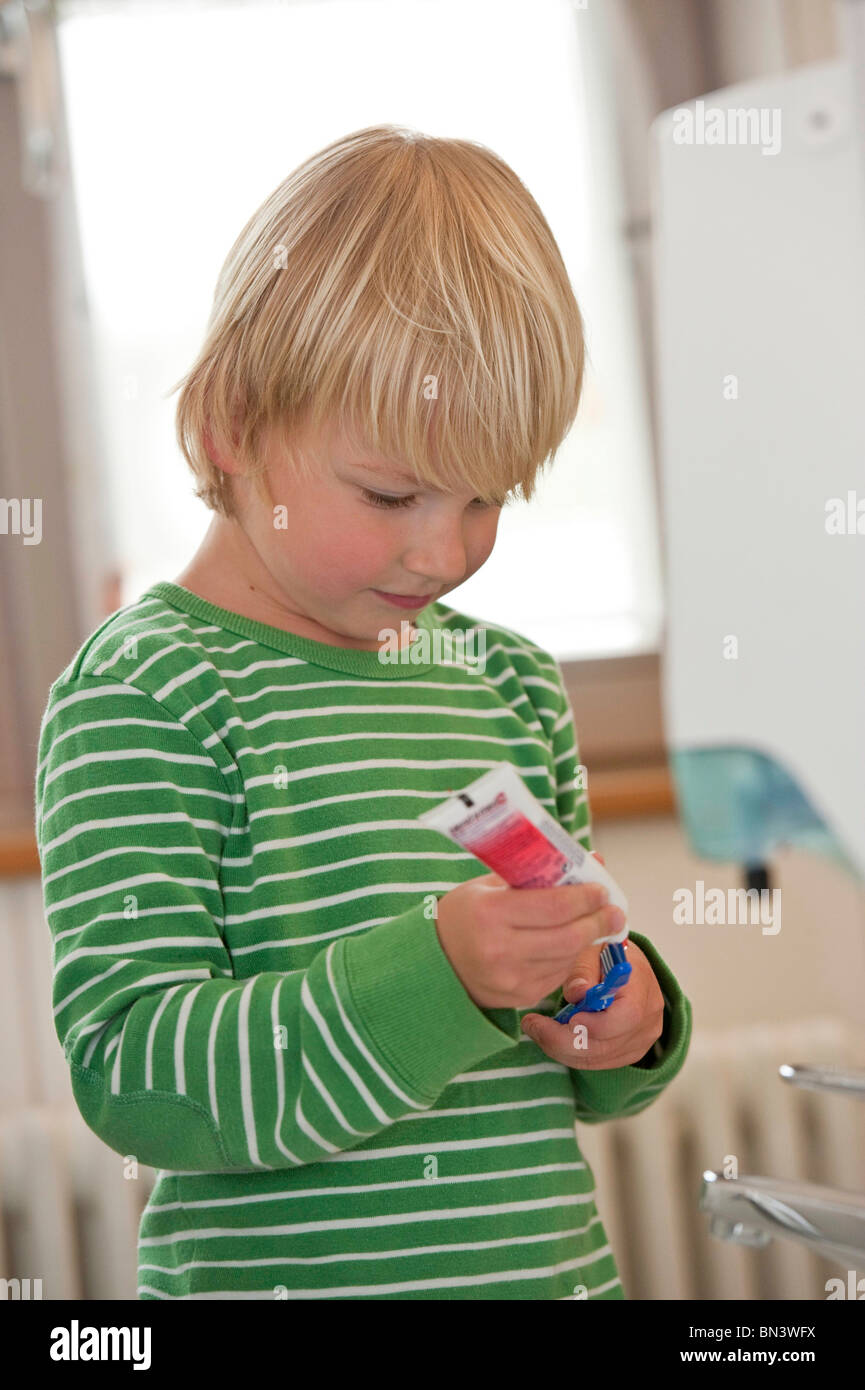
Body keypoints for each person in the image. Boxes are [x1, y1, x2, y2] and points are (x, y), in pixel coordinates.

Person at [34, 125, 691, 1300]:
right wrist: (436, 975)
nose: (446, 549)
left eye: (488, 495)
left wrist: (623, 1018)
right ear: (229, 424)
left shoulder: (509, 684)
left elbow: (580, 1039)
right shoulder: (147, 693)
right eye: (390, 492)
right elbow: (134, 1077)